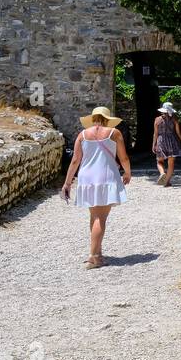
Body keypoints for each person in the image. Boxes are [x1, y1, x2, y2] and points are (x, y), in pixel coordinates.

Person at [61, 106, 131, 269]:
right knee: (101, 217)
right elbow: (124, 157)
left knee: (94, 215)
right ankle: (94, 257)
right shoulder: (114, 133)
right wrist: (127, 173)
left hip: (86, 178)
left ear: (92, 119)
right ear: (107, 119)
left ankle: (97, 251)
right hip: (105, 177)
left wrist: (67, 183)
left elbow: (75, 161)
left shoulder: (82, 135)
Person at [153, 101, 181, 187]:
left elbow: (155, 133)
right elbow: (178, 133)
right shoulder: (174, 119)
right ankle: (166, 182)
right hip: (172, 142)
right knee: (171, 163)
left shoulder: (157, 120)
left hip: (161, 141)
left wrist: (154, 145)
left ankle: (162, 173)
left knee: (159, 161)